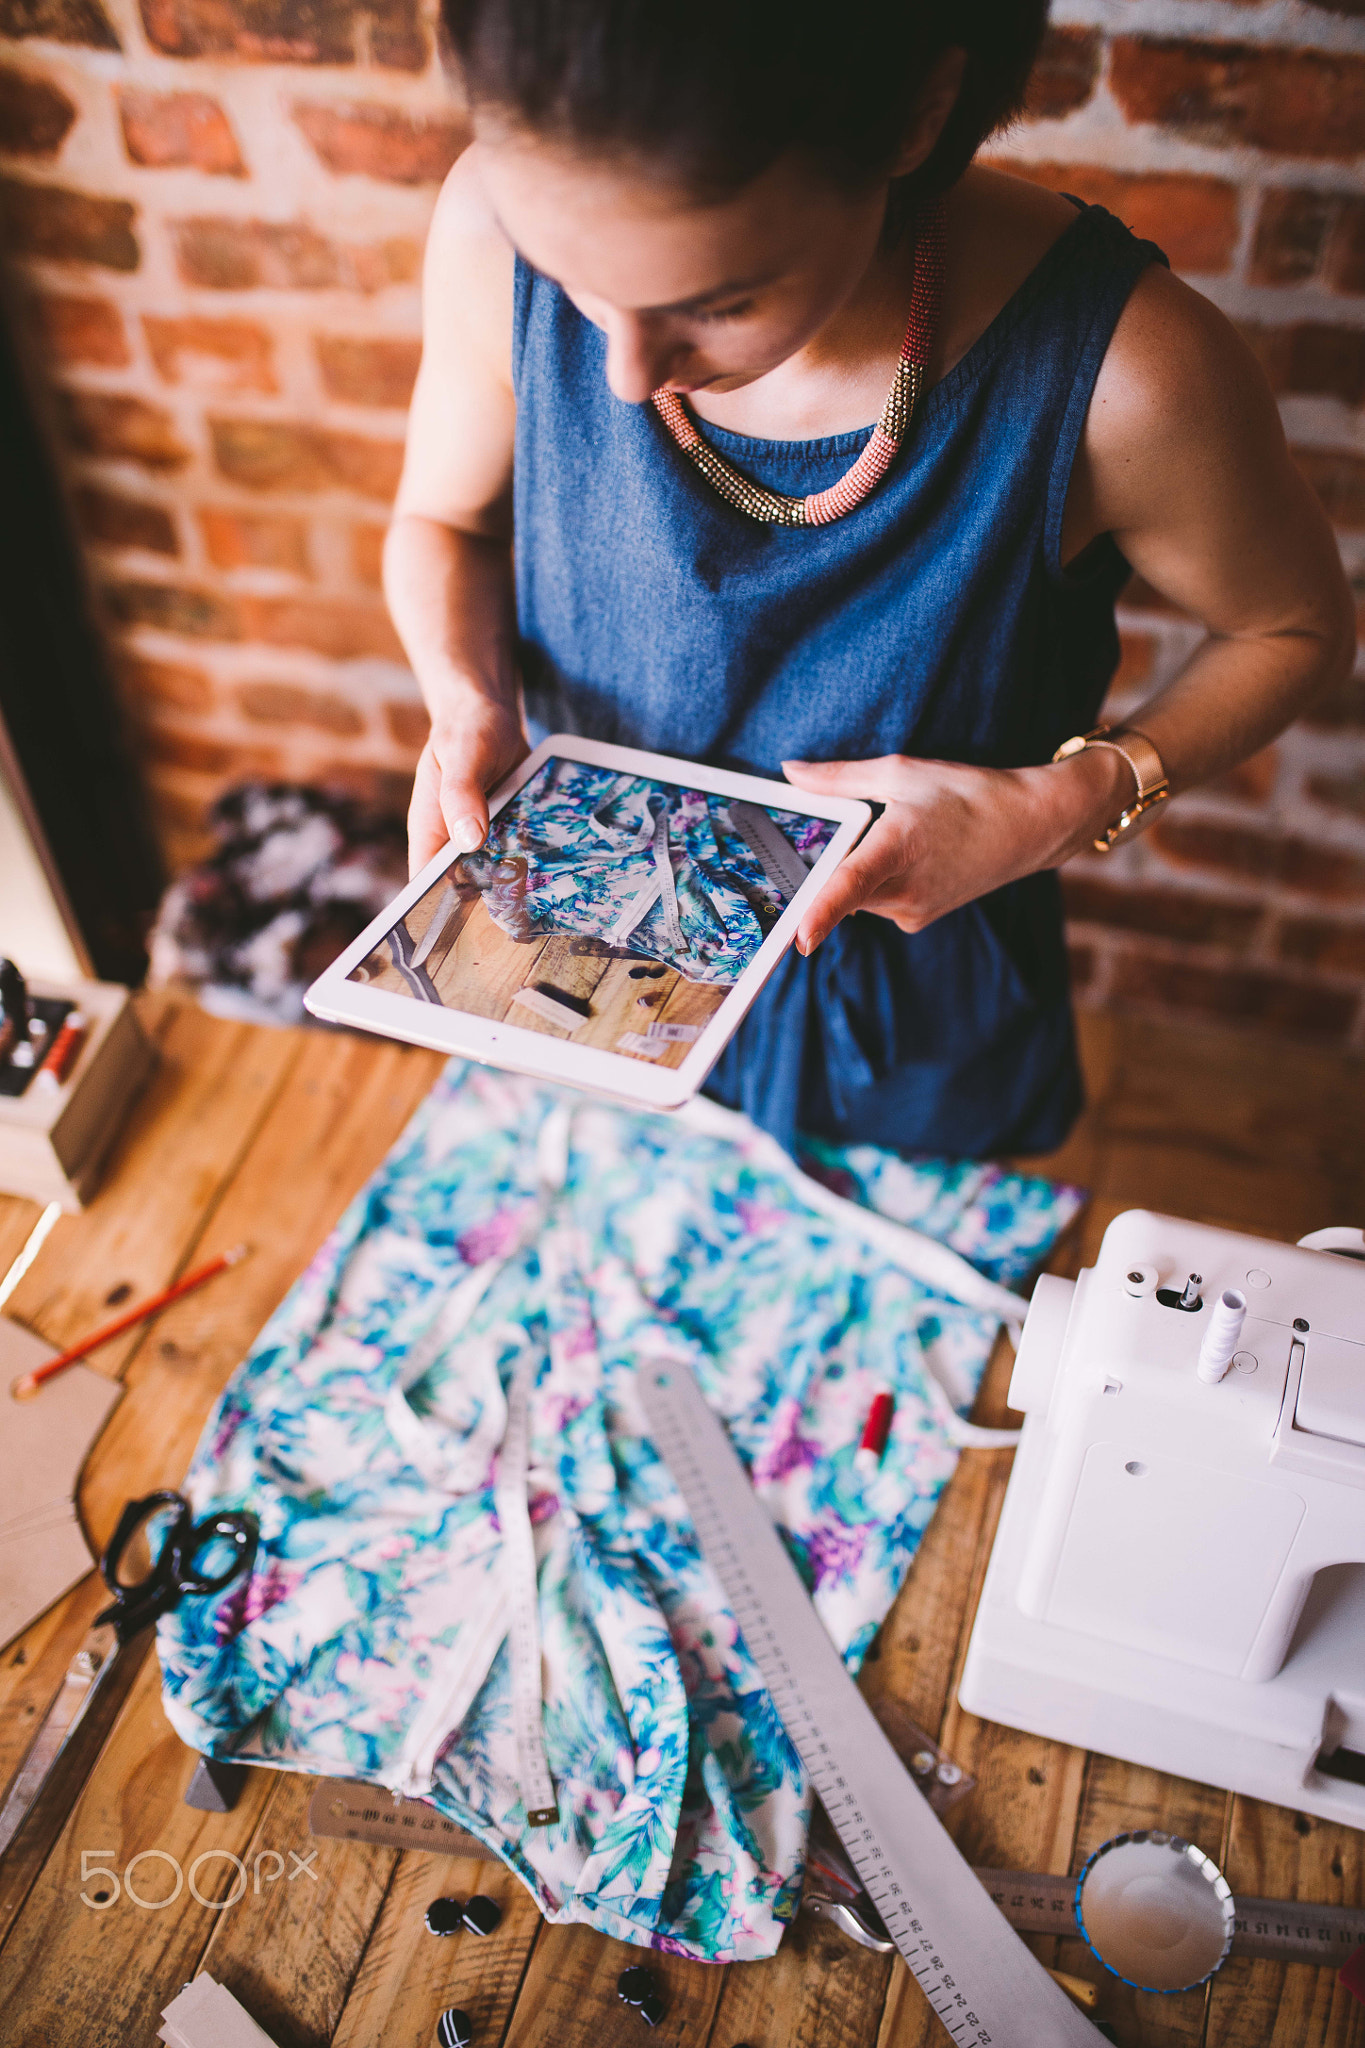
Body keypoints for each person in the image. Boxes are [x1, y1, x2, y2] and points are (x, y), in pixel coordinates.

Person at [382, 0, 1354, 1158]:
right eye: (574, 277)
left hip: (903, 1018)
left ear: (918, 117)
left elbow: (1294, 627)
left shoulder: (1127, 375)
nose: (628, 376)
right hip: (576, 955)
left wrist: (1069, 803)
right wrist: (466, 696)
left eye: (719, 300)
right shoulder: (489, 224)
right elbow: (442, 519)